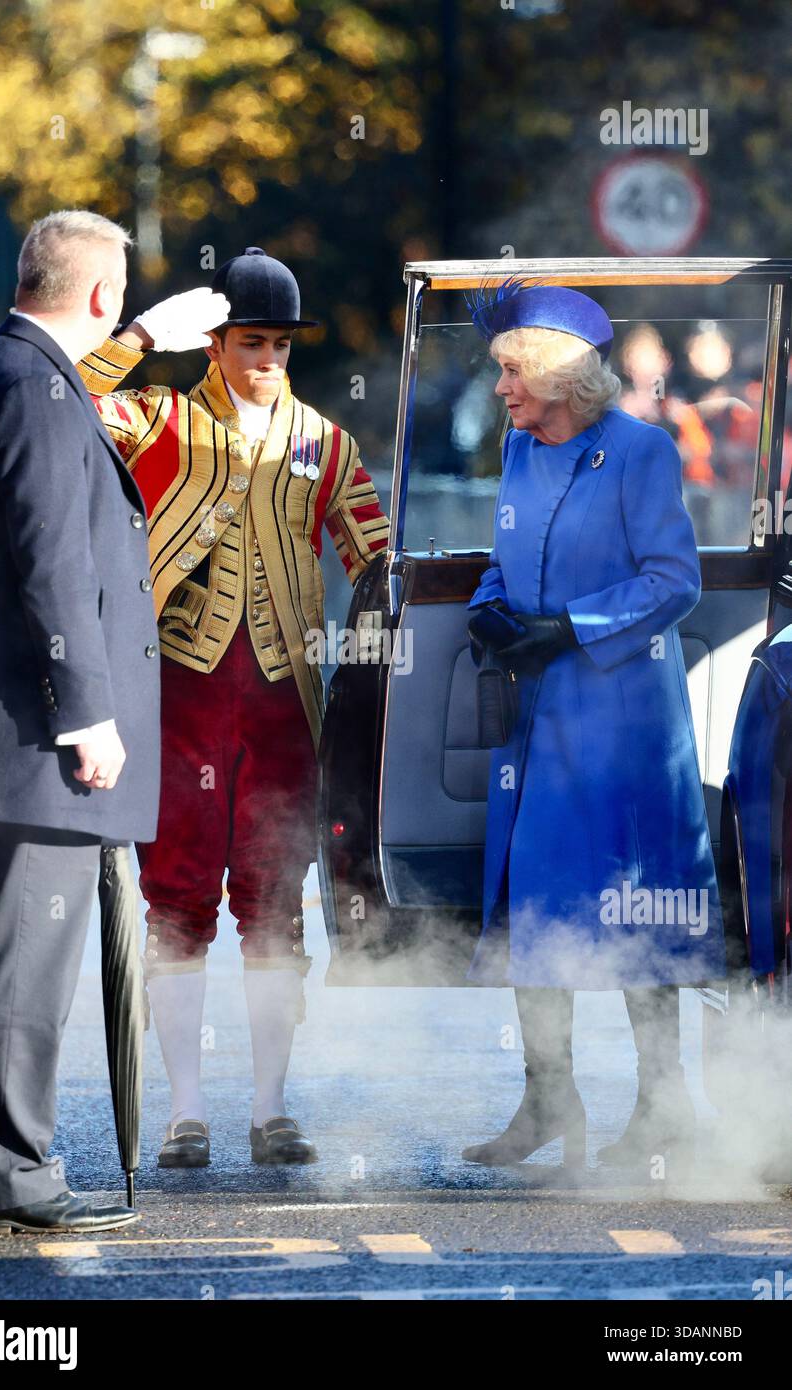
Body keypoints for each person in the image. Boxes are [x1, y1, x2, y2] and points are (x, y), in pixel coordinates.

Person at [76, 248, 389, 1166]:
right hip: (177, 692)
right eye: (250, 342)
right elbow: (63, 400)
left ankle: (269, 1107)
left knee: (273, 903)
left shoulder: (327, 442)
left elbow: (372, 554)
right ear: (212, 345)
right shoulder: (161, 417)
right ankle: (183, 1110)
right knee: (175, 902)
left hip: (285, 705)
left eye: (280, 345)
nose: (266, 360)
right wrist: (133, 340)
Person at [0, 211, 161, 1233]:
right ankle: (12, 1181)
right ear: (101, 296)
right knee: (24, 966)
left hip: (4, 727)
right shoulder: (32, 385)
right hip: (37, 732)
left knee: (2, 956)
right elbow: (51, 564)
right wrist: (88, 714)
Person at [460, 279, 726, 1170]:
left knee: (636, 899)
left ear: (557, 376)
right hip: (537, 718)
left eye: (510, 373)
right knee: (536, 901)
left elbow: (672, 580)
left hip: (622, 720)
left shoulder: (643, 452)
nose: (500, 390)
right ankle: (547, 1098)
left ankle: (665, 1103)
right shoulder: (519, 450)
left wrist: (569, 627)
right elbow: (504, 557)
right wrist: (490, 606)